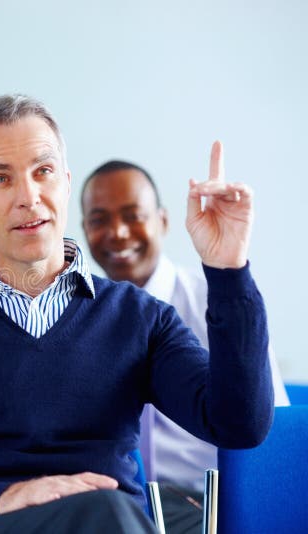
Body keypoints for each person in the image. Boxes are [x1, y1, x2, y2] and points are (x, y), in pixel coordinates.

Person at [0, 94, 274, 534]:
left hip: (112, 525)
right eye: (0, 179)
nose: (29, 197)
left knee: (108, 512)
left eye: (43, 172)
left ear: (66, 182)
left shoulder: (139, 318)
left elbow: (240, 424)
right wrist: (4, 498)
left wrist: (229, 271)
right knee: (106, 511)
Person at [80, 160, 289, 533]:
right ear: (84, 230)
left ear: (162, 220)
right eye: (99, 220)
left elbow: (270, 426)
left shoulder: (221, 302)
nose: (118, 232)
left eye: (133, 215)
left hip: (204, 506)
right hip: (113, 506)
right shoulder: (80, 315)